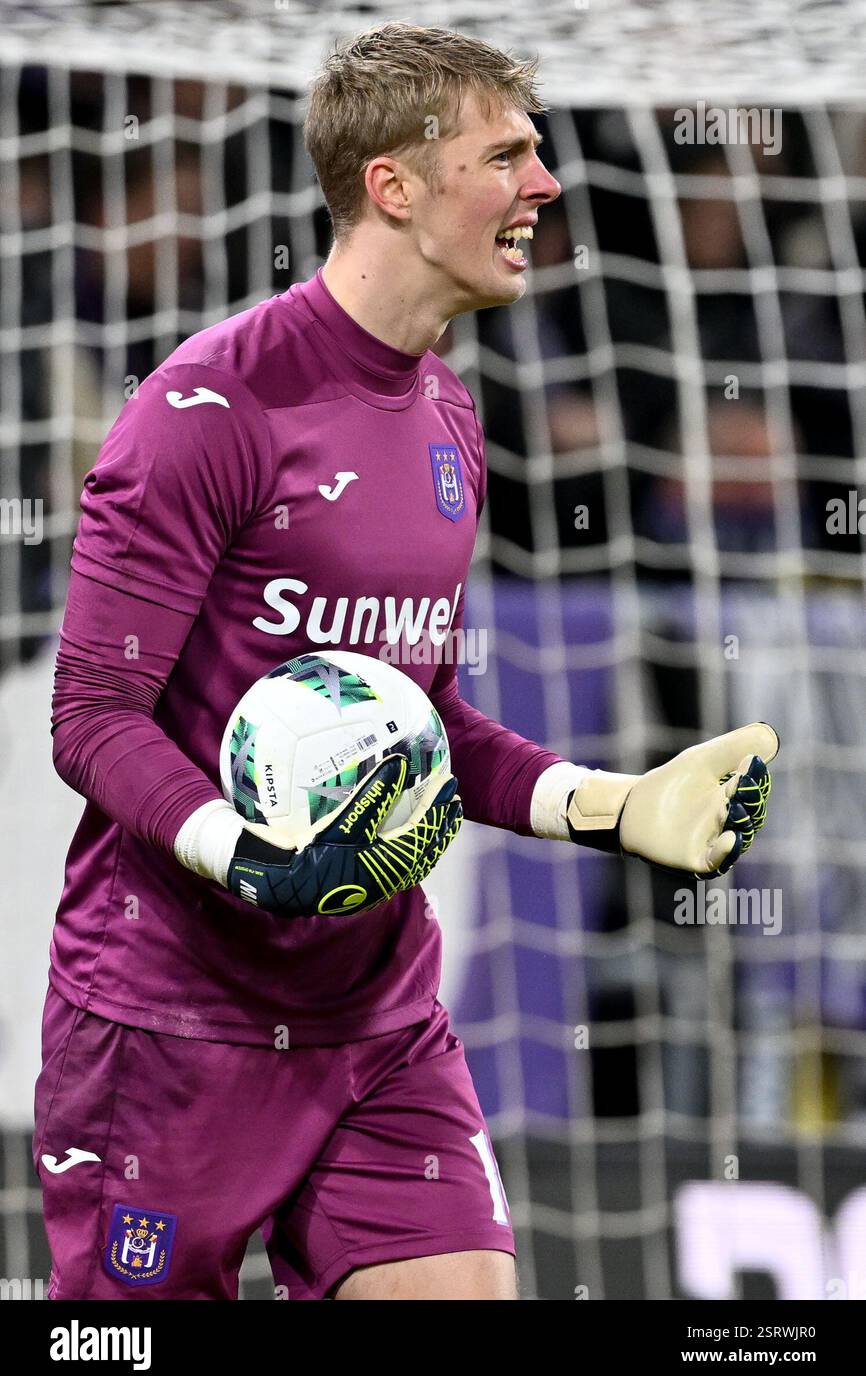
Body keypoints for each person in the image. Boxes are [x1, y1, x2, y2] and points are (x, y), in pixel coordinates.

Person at [36, 22, 776, 1302]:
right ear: (392, 184)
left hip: (376, 1015)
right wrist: (246, 853)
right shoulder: (205, 410)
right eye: (506, 157)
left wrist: (611, 805)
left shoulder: (445, 413)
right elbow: (91, 714)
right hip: (170, 1018)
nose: (543, 184)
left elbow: (425, 714)